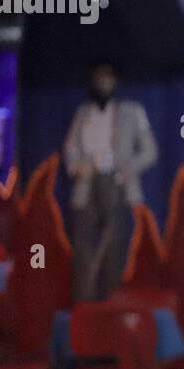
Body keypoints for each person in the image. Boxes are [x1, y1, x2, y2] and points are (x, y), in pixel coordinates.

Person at [62, 62, 158, 302]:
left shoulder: (131, 111)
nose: (103, 83)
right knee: (83, 247)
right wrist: (77, 167)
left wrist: (126, 170)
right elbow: (70, 148)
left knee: (113, 246)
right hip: (88, 182)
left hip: (116, 183)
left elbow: (150, 151)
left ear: (115, 82)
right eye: (98, 78)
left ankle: (110, 304)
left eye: (107, 78)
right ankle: (84, 304)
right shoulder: (83, 113)